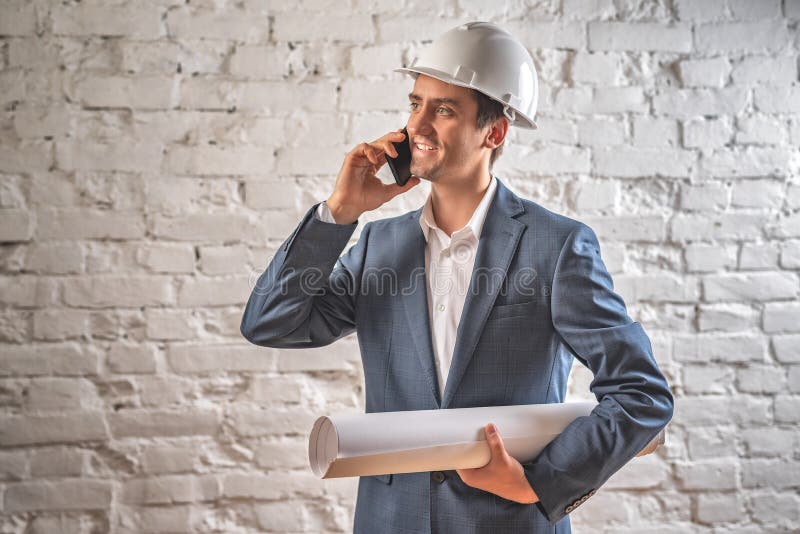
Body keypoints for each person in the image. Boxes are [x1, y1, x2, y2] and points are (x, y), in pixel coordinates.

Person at [241, 21, 673, 534]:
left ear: (494, 132)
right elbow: (270, 324)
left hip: (507, 521)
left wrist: (539, 483)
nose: (416, 126)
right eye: (415, 103)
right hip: (390, 521)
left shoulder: (556, 246)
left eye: (443, 109)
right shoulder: (380, 246)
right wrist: (338, 213)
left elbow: (642, 393)